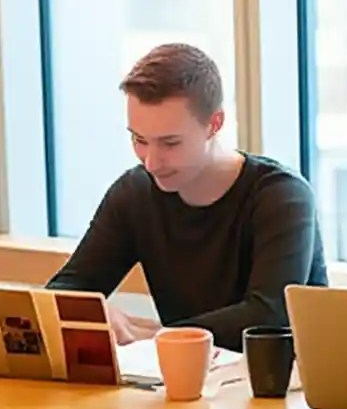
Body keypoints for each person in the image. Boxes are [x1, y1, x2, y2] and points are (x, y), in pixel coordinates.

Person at [45, 43, 328, 352]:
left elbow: (268, 316)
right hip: (188, 387)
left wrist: (156, 336)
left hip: (285, 390)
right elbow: (65, 289)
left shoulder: (282, 196)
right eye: (139, 140)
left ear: (214, 124)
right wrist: (93, 313)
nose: (151, 162)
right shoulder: (135, 193)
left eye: (170, 143)